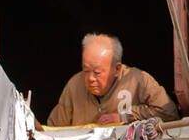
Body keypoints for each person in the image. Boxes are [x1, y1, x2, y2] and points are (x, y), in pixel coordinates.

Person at [47, 33, 180, 127]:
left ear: (116, 69)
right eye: (86, 71)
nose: (90, 78)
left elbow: (169, 113)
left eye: (97, 72)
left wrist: (125, 116)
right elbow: (54, 129)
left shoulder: (138, 80)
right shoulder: (74, 85)